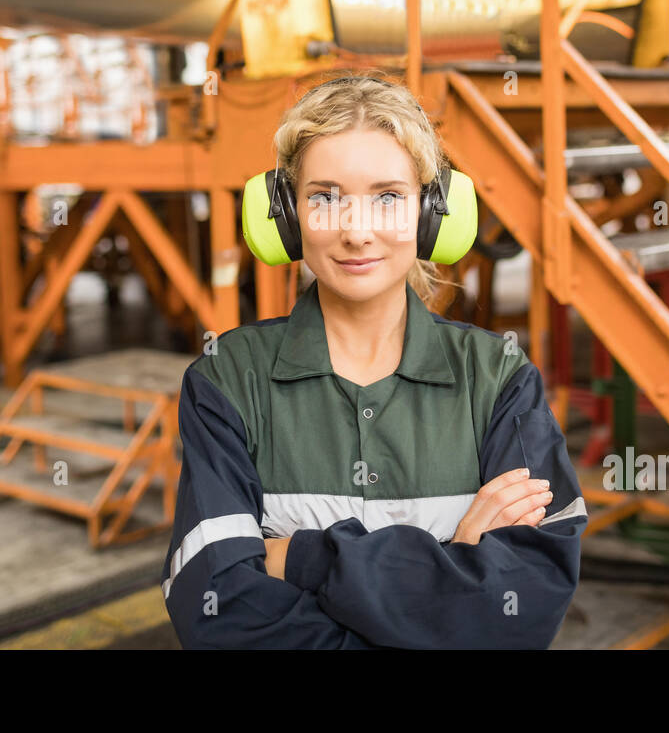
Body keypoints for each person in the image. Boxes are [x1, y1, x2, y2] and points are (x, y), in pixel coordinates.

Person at [160, 74, 586, 648]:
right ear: (283, 216)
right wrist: (453, 563)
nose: (357, 232)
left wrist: (305, 559)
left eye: (388, 197)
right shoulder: (228, 380)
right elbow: (217, 612)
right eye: (324, 197)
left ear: (434, 215)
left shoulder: (500, 380)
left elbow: (519, 610)